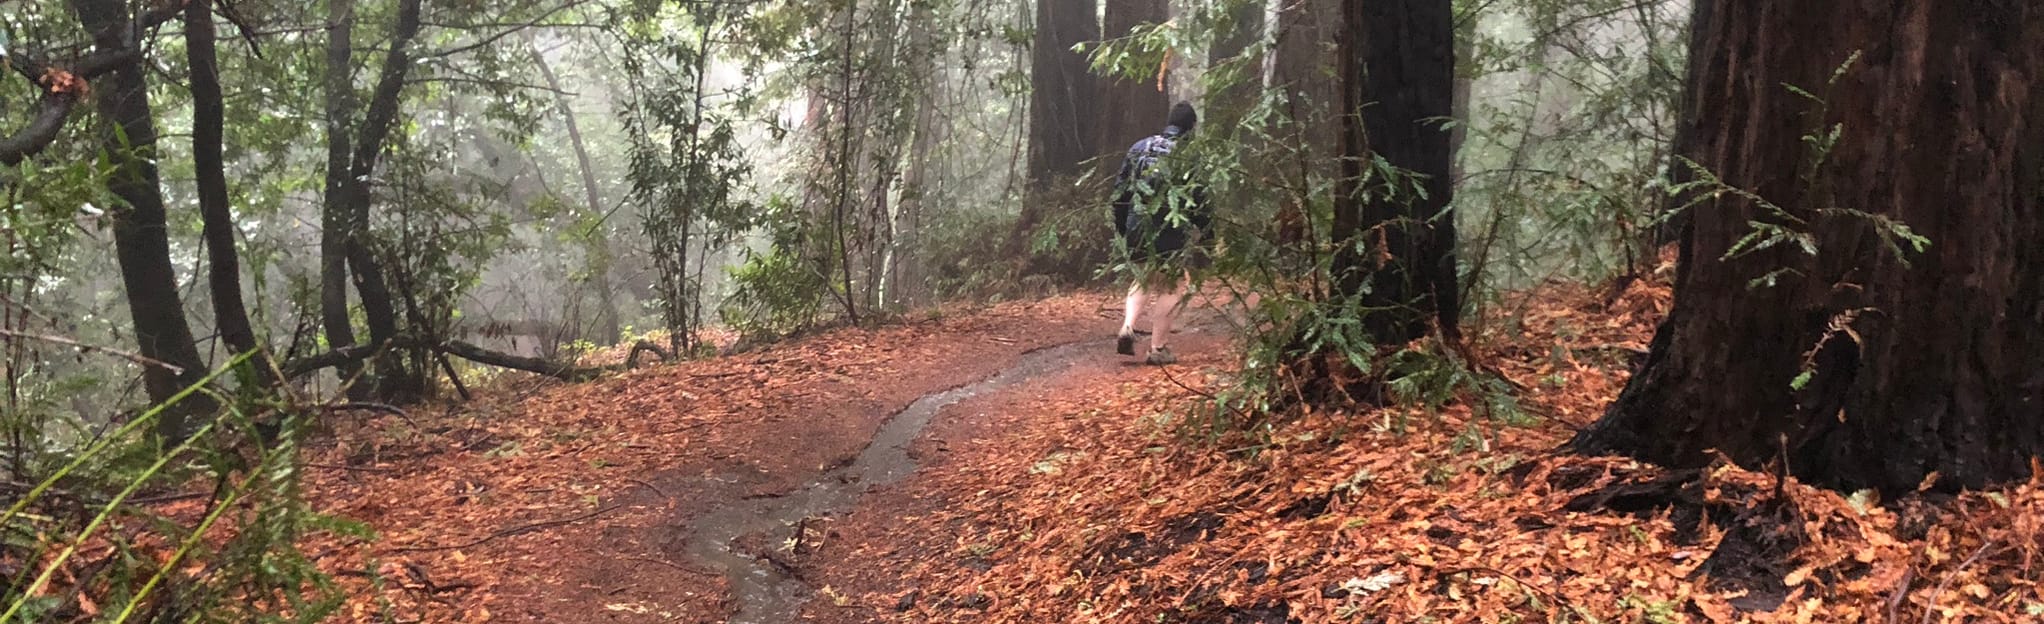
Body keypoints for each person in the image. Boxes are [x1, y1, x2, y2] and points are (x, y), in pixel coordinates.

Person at [1112, 101, 1210, 366]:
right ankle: (1158, 348)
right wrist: (1208, 234)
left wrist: (1123, 226)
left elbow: (1121, 192)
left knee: (1142, 278)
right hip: (1170, 229)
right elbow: (1200, 200)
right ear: (1191, 127)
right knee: (1173, 285)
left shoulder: (1140, 147)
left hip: (1137, 224)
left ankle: (1128, 327)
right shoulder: (1189, 157)